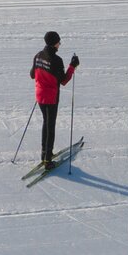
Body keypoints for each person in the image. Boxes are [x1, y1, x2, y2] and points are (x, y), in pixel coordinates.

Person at [30, 31, 79, 167]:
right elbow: (63, 80)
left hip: (40, 96)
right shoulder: (56, 60)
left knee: (46, 123)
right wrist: (72, 66)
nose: (60, 44)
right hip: (51, 98)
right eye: (59, 42)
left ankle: (45, 153)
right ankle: (47, 160)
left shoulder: (38, 55)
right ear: (54, 43)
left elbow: (32, 75)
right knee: (50, 126)